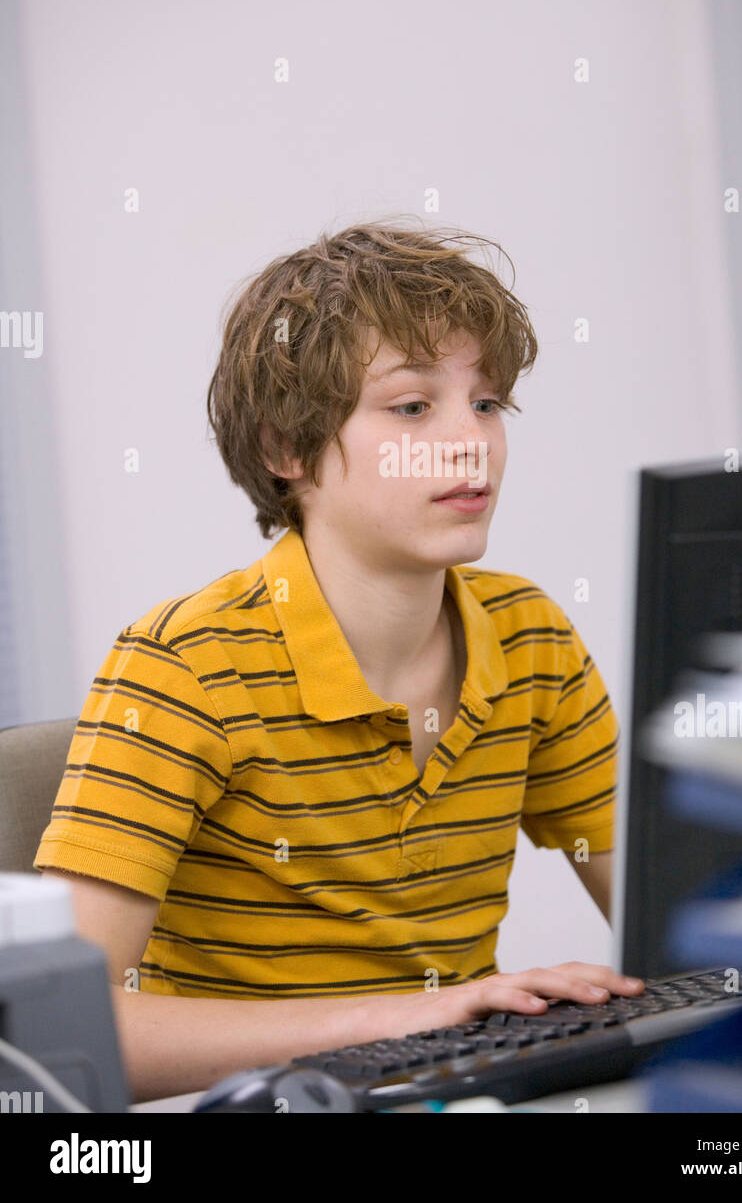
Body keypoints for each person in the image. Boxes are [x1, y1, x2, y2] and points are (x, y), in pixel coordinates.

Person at [34, 218, 644, 1103]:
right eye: (411, 407)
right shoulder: (185, 666)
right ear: (289, 448)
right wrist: (401, 1018)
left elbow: (686, 923)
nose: (469, 441)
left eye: (486, 404)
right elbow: (64, 1033)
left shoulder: (528, 637)